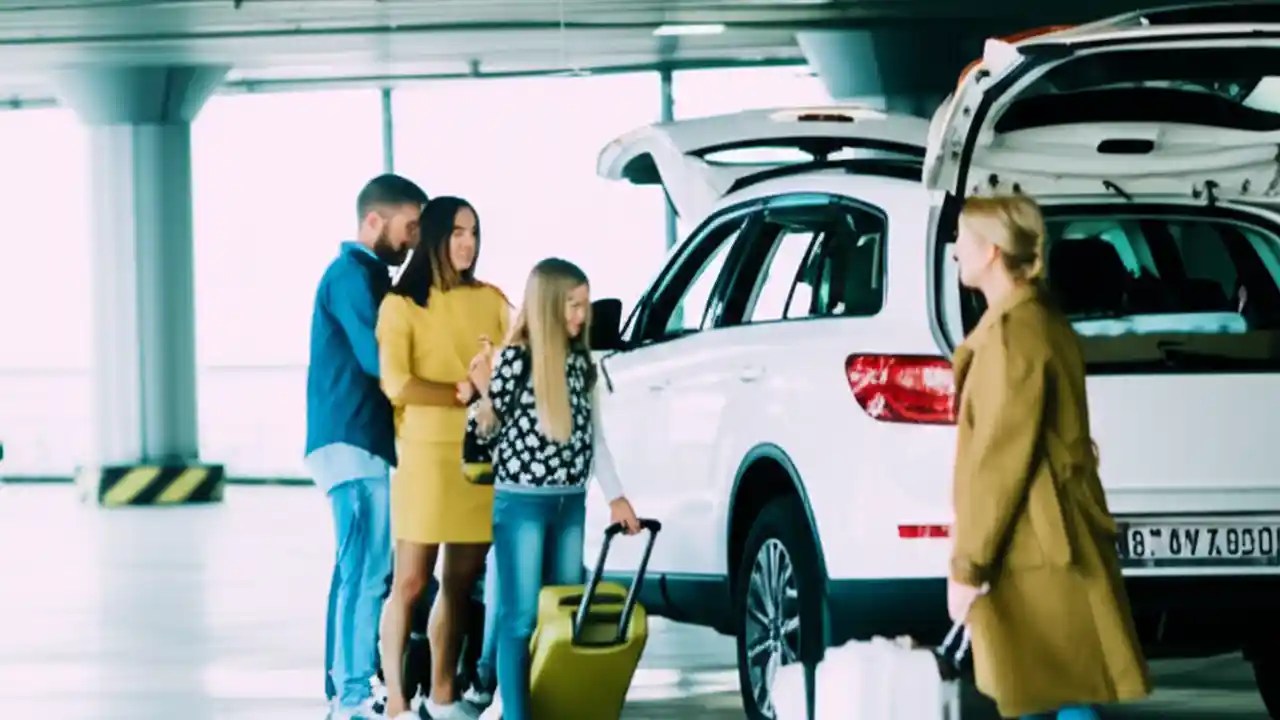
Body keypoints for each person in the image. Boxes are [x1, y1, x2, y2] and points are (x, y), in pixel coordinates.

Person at [946, 194, 1152, 719]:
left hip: (1031, 543)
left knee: (1045, 688)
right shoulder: (1039, 322)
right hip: (1052, 534)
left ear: (992, 251)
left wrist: (968, 566)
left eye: (963, 239)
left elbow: (999, 459)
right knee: (1057, 686)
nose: (954, 250)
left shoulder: (1013, 336)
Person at [468, 257, 642, 720]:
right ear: (546, 307)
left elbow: (595, 439)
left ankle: (556, 705)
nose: (581, 316)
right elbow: (483, 432)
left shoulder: (583, 365)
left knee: (566, 615)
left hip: (570, 503)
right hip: (521, 503)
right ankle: (516, 714)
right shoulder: (515, 362)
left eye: (584, 305)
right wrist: (483, 392)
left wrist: (616, 495)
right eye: (572, 306)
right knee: (520, 616)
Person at [376, 196, 511, 720]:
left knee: (459, 583)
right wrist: (462, 391)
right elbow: (397, 383)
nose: (468, 243)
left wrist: (486, 393)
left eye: (474, 232)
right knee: (410, 582)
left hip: (478, 458)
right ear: (435, 236)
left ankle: (444, 693)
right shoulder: (401, 305)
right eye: (457, 232)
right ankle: (395, 698)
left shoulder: (493, 299)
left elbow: (513, 365)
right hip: (425, 458)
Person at [307, 173, 428, 720]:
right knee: (365, 571)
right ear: (374, 221)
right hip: (351, 440)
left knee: (359, 569)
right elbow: (380, 361)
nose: (413, 239)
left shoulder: (366, 276)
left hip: (359, 440)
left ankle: (348, 690)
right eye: (410, 226)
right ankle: (351, 695)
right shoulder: (352, 277)